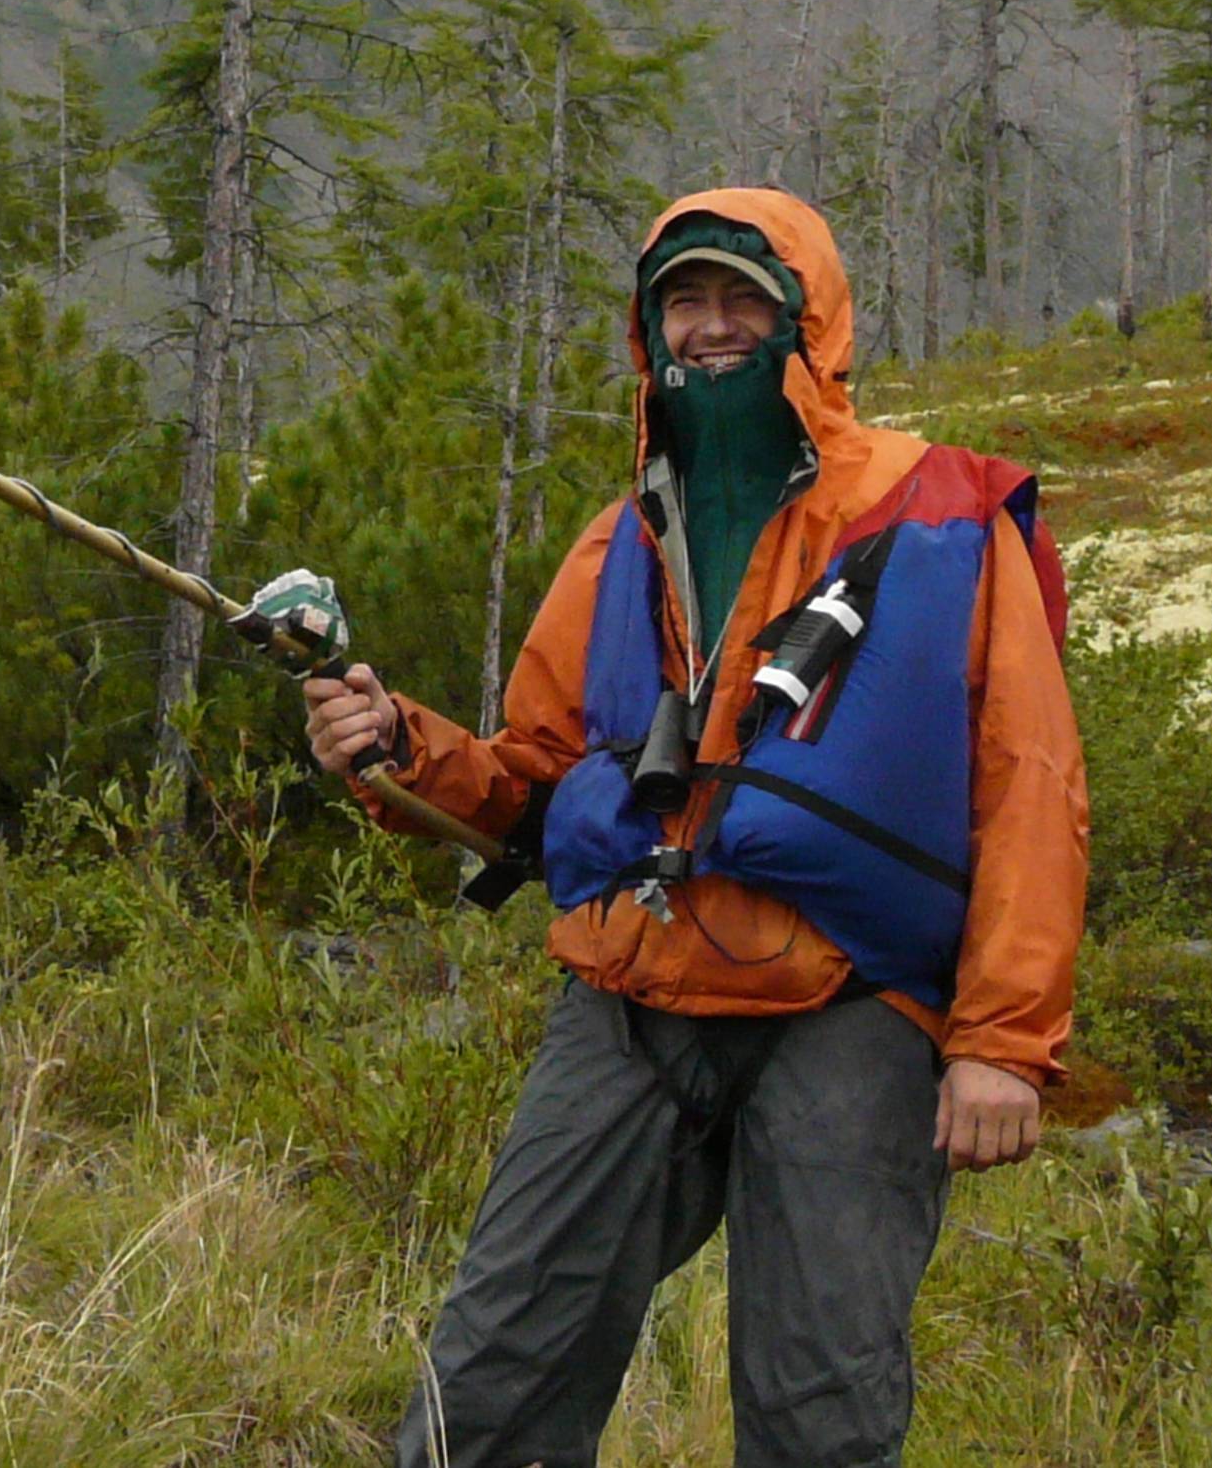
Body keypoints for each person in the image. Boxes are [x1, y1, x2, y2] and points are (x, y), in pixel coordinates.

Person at [303, 186, 1084, 1468]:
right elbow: (539, 786)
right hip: (634, 987)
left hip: (853, 1001)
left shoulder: (939, 516)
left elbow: (1030, 783)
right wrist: (400, 746)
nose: (712, 327)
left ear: (809, 323)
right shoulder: (620, 539)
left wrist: (1002, 1038)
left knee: (817, 1402)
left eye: (743, 299)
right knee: (494, 1369)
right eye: (685, 300)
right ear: (650, 331)